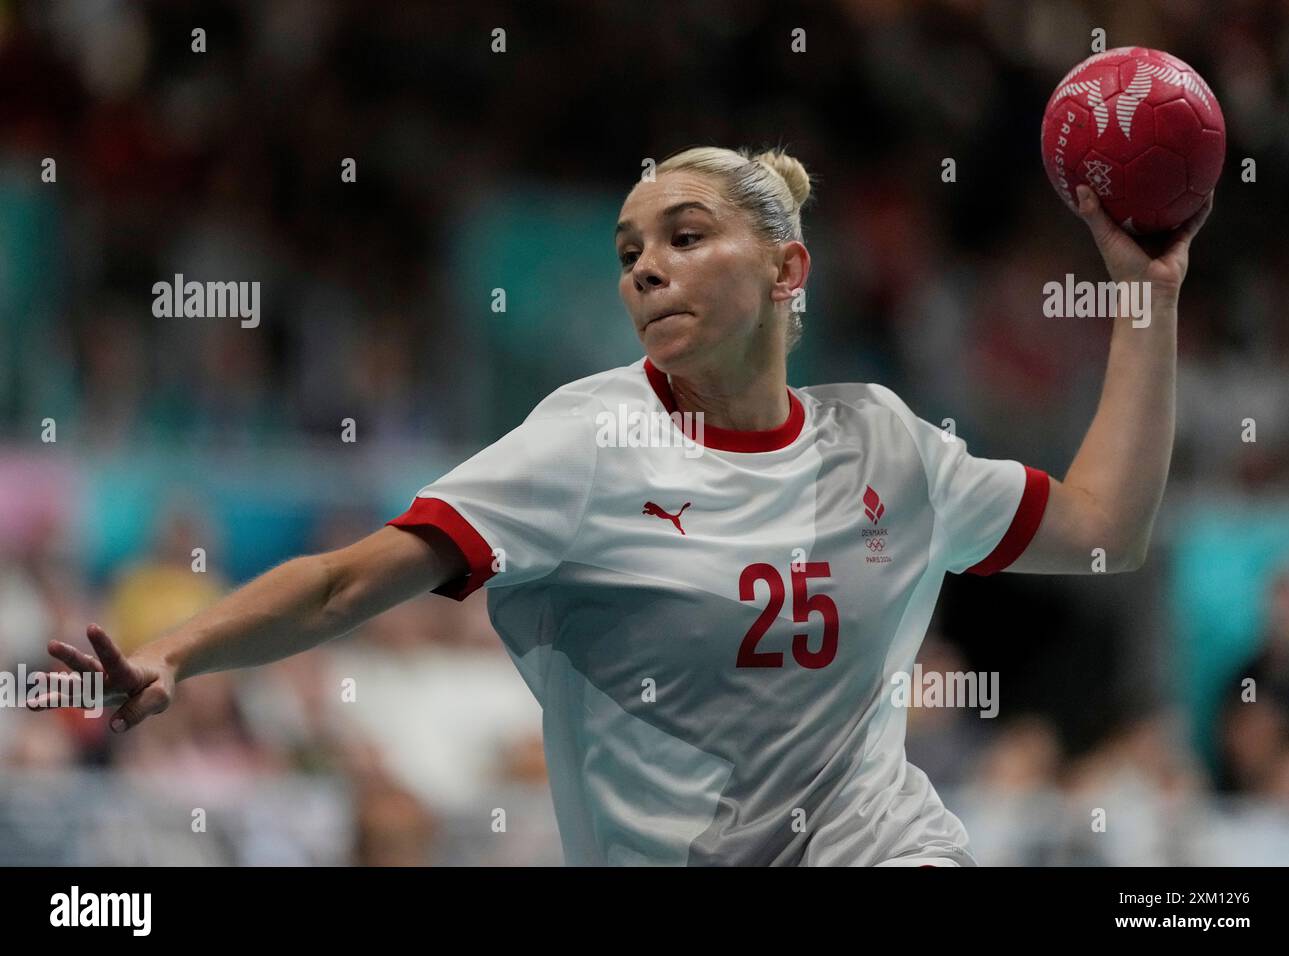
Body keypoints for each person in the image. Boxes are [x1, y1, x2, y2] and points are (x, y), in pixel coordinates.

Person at [31, 144, 1213, 866]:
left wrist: (1147, 297)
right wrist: (174, 648)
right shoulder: (585, 443)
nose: (644, 266)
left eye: (685, 236)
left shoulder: (889, 444)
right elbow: (348, 576)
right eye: (627, 248)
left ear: (787, 268)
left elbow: (1107, 526)